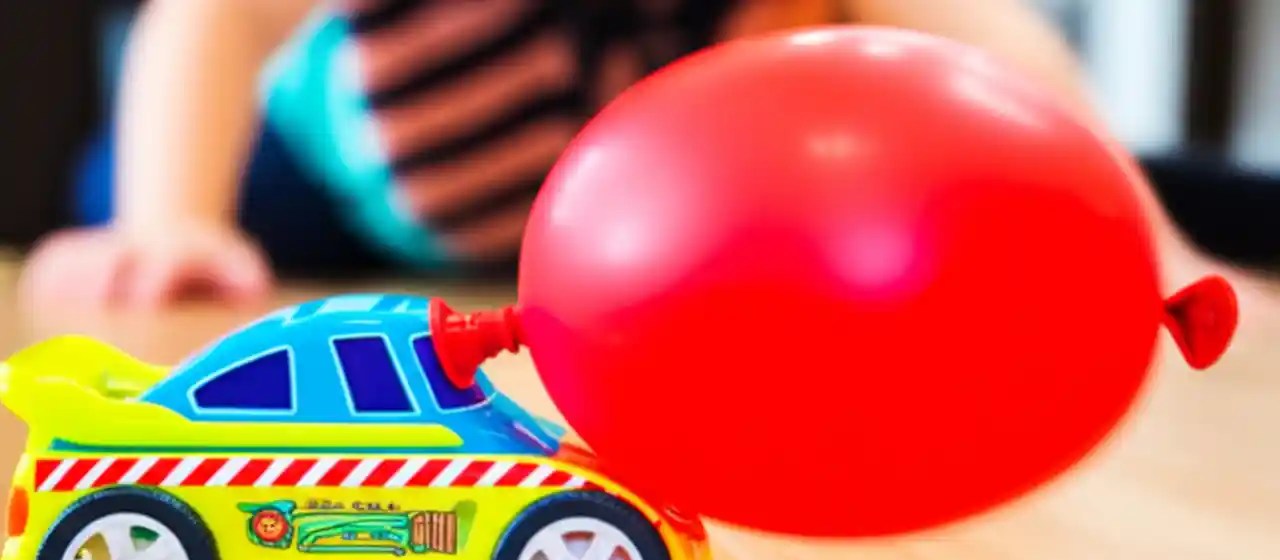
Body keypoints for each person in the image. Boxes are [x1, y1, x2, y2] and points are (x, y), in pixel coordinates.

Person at [20, 0, 1246, 307]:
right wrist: (164, 213)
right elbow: (215, 15)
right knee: (149, 217)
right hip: (348, 185)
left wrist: (1165, 251)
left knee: (1164, 187)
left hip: (655, 231)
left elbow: (1005, 60)